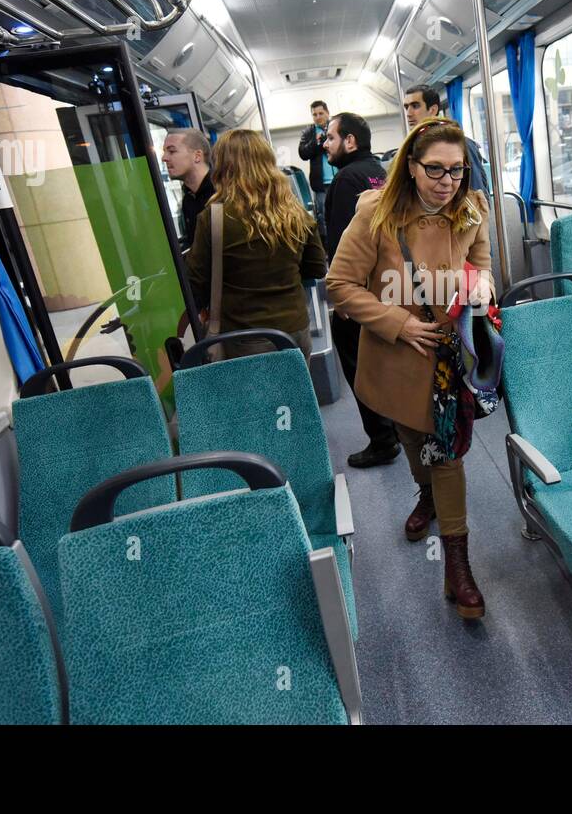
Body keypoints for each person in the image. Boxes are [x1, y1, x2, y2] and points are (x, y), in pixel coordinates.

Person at [326, 118, 494, 620]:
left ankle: (458, 566)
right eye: (435, 170)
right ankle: (424, 493)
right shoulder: (377, 215)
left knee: (447, 454)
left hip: (450, 357)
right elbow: (340, 285)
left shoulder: (471, 209)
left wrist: (481, 287)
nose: (447, 182)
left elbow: (481, 263)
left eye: (457, 171)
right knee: (415, 446)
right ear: (411, 167)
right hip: (396, 358)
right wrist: (398, 323)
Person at [187, 130, 327, 363]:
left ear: (222, 166)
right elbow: (317, 268)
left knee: (257, 400)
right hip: (296, 329)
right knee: (297, 397)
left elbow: (196, 283)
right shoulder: (294, 212)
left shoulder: (214, 217)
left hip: (246, 335)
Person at [321, 111, 398, 469]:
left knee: (359, 364)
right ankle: (398, 428)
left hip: (361, 294)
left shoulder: (344, 180)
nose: (324, 143)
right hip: (389, 288)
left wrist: (343, 299)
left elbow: (341, 246)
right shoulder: (383, 173)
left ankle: (382, 440)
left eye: (330, 137)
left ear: (350, 141)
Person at [403, 84, 490, 195]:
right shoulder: (413, 146)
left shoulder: (458, 144)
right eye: (406, 107)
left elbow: (475, 192)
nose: (409, 114)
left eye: (415, 106)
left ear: (433, 110)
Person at [161, 128, 214, 247]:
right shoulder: (188, 200)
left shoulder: (222, 194)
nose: (164, 158)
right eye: (164, 151)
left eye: (172, 151)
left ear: (197, 156)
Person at [297, 100, 337, 233]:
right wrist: (317, 142)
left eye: (321, 113)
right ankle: (328, 249)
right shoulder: (309, 132)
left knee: (344, 212)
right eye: (315, 114)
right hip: (321, 184)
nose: (318, 117)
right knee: (323, 217)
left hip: (339, 178)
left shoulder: (337, 127)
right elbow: (303, 153)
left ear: (327, 113)